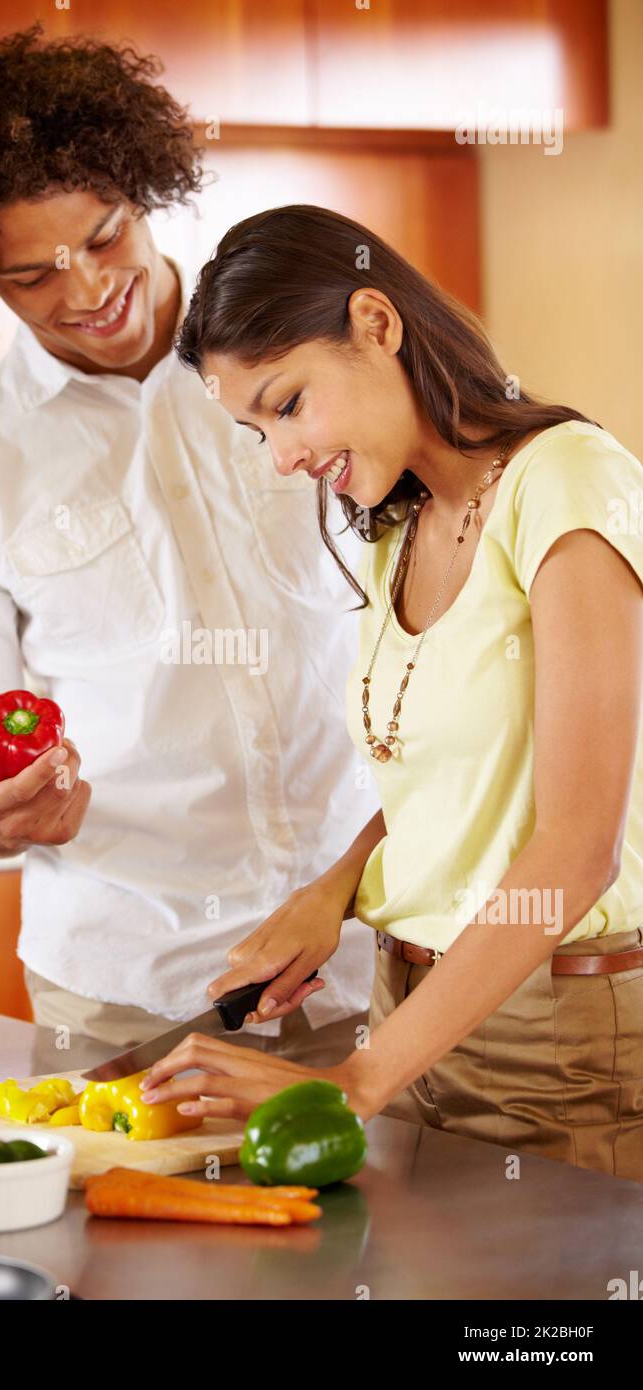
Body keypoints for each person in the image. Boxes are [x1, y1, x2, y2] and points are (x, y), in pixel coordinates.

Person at [0, 32, 377, 1063]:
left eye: (104, 237)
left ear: (144, 191)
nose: (89, 287)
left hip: (381, 948)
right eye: (31, 275)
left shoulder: (302, 359)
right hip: (138, 988)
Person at [139, 204, 643, 1183]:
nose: (281, 458)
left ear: (374, 322)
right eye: (255, 433)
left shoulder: (566, 483)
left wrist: (359, 1078)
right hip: (407, 1016)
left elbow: (575, 848)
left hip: (554, 1042)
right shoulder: (390, 527)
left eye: (286, 405)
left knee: (534, 1341)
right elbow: (441, 786)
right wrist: (331, 894)